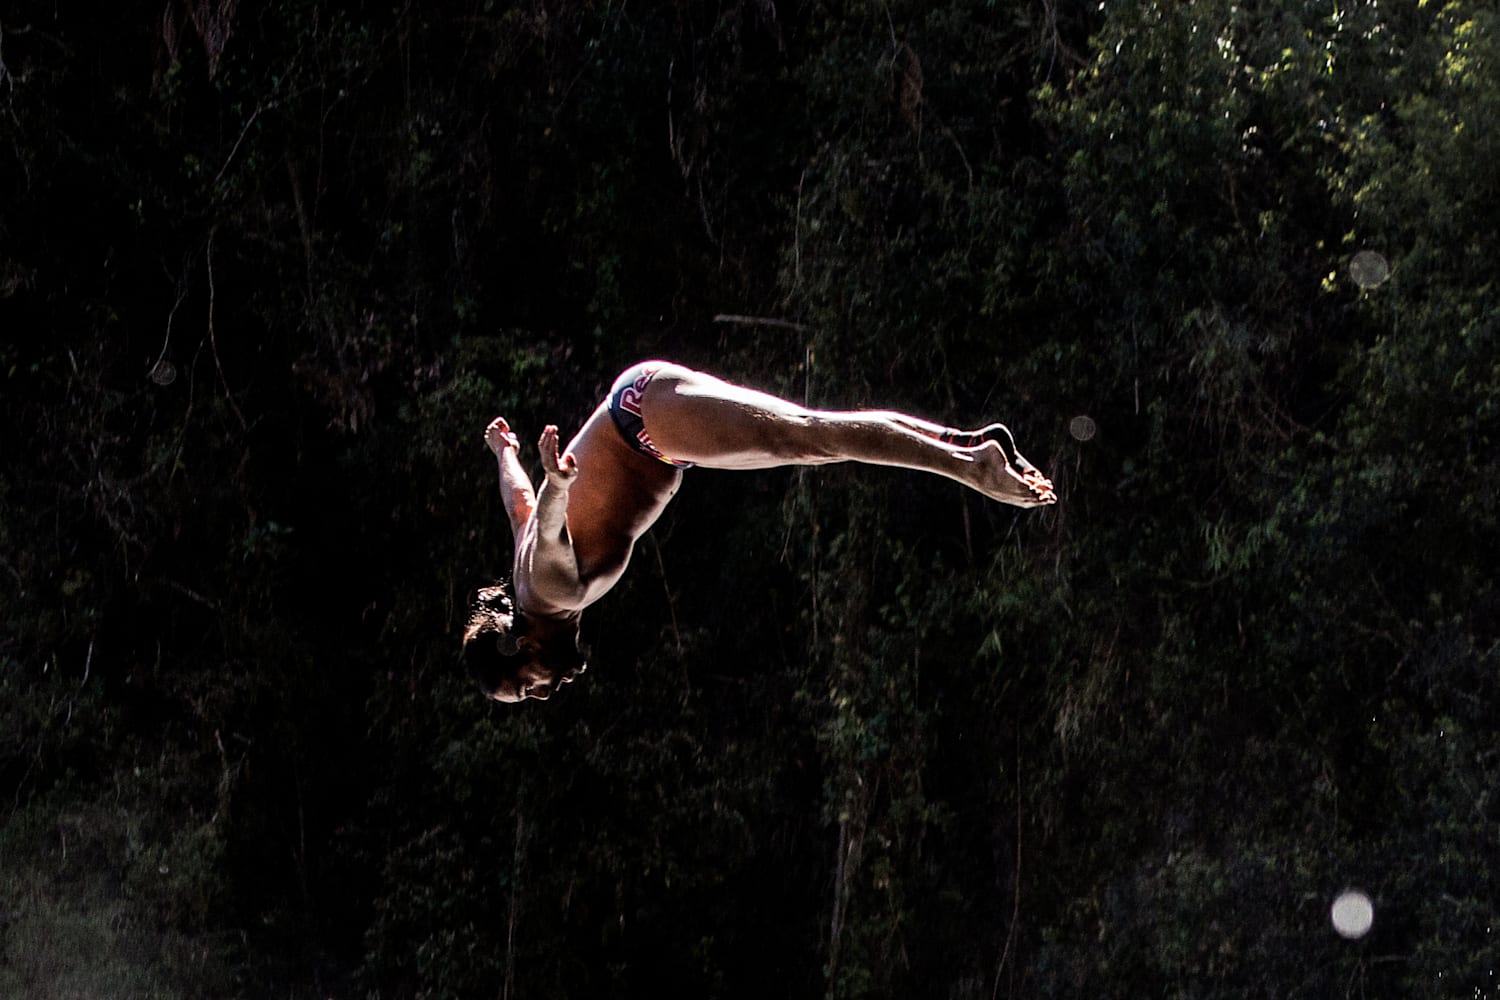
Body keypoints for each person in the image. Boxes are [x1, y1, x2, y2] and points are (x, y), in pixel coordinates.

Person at [463, 361, 1056, 702]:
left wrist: (558, 485)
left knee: (805, 436)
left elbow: (542, 527)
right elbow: (519, 507)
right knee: (809, 440)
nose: (544, 693)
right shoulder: (533, 590)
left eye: (527, 688)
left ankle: (972, 468)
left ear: (523, 647)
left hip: (646, 425)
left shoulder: (549, 593)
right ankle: (965, 447)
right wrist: (503, 453)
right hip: (659, 437)